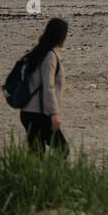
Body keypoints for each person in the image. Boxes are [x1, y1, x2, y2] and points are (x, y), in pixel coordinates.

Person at [19, 17, 69, 153]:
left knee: (36, 155)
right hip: (40, 113)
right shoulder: (50, 56)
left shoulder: (37, 52)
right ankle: (54, 175)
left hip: (26, 113)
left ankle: (38, 174)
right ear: (61, 36)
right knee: (63, 150)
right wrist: (54, 114)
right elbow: (48, 87)